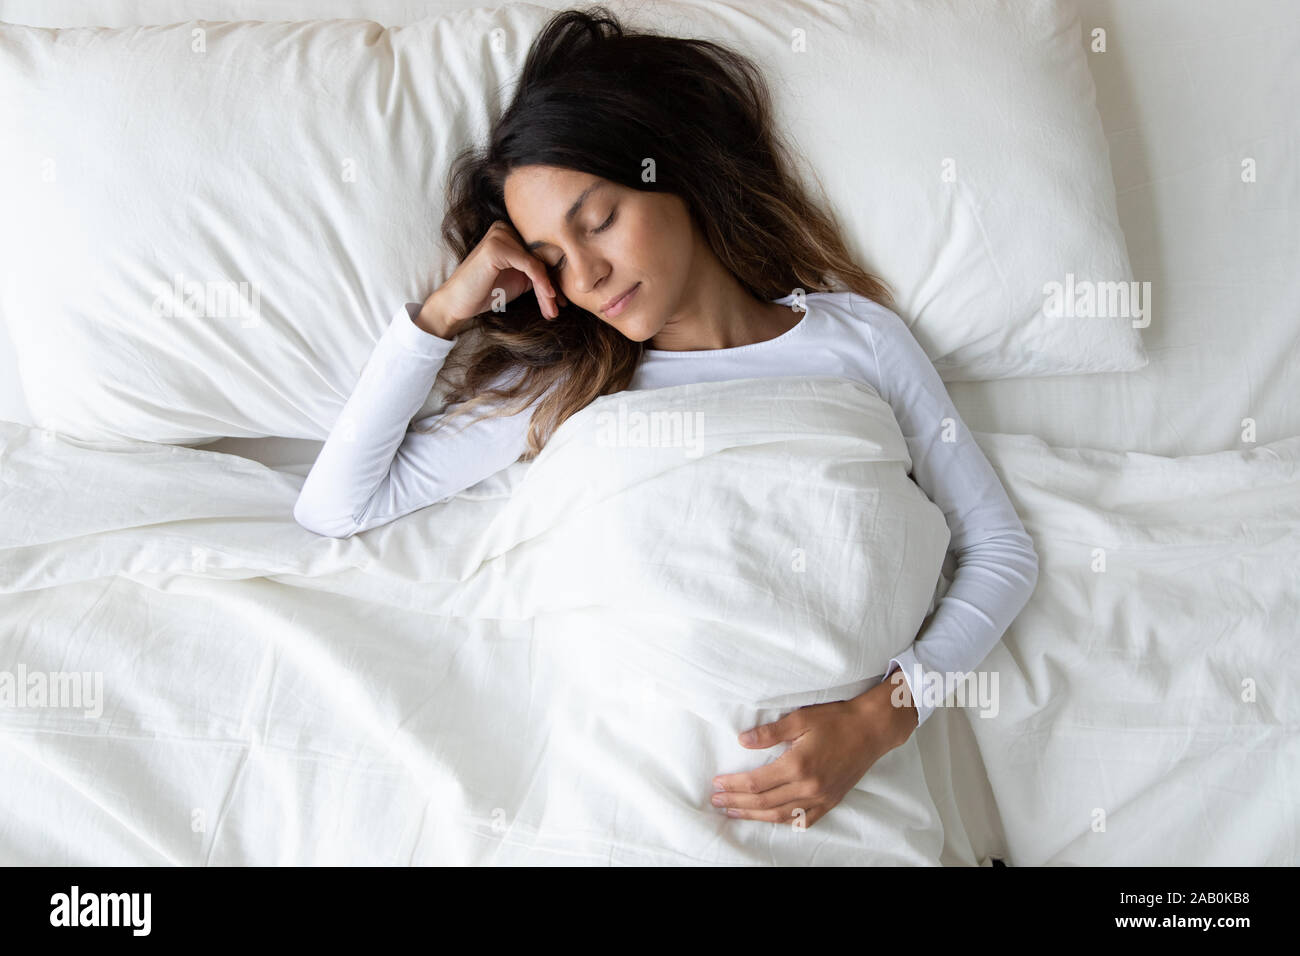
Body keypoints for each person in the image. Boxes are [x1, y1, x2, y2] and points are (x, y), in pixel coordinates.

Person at [294, 5, 1038, 830]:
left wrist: (886, 715)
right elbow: (339, 506)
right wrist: (441, 313)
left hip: (842, 806)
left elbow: (998, 549)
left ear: (672, 171)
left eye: (599, 220)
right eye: (551, 260)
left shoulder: (857, 338)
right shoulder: (571, 383)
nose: (587, 273)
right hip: (636, 807)